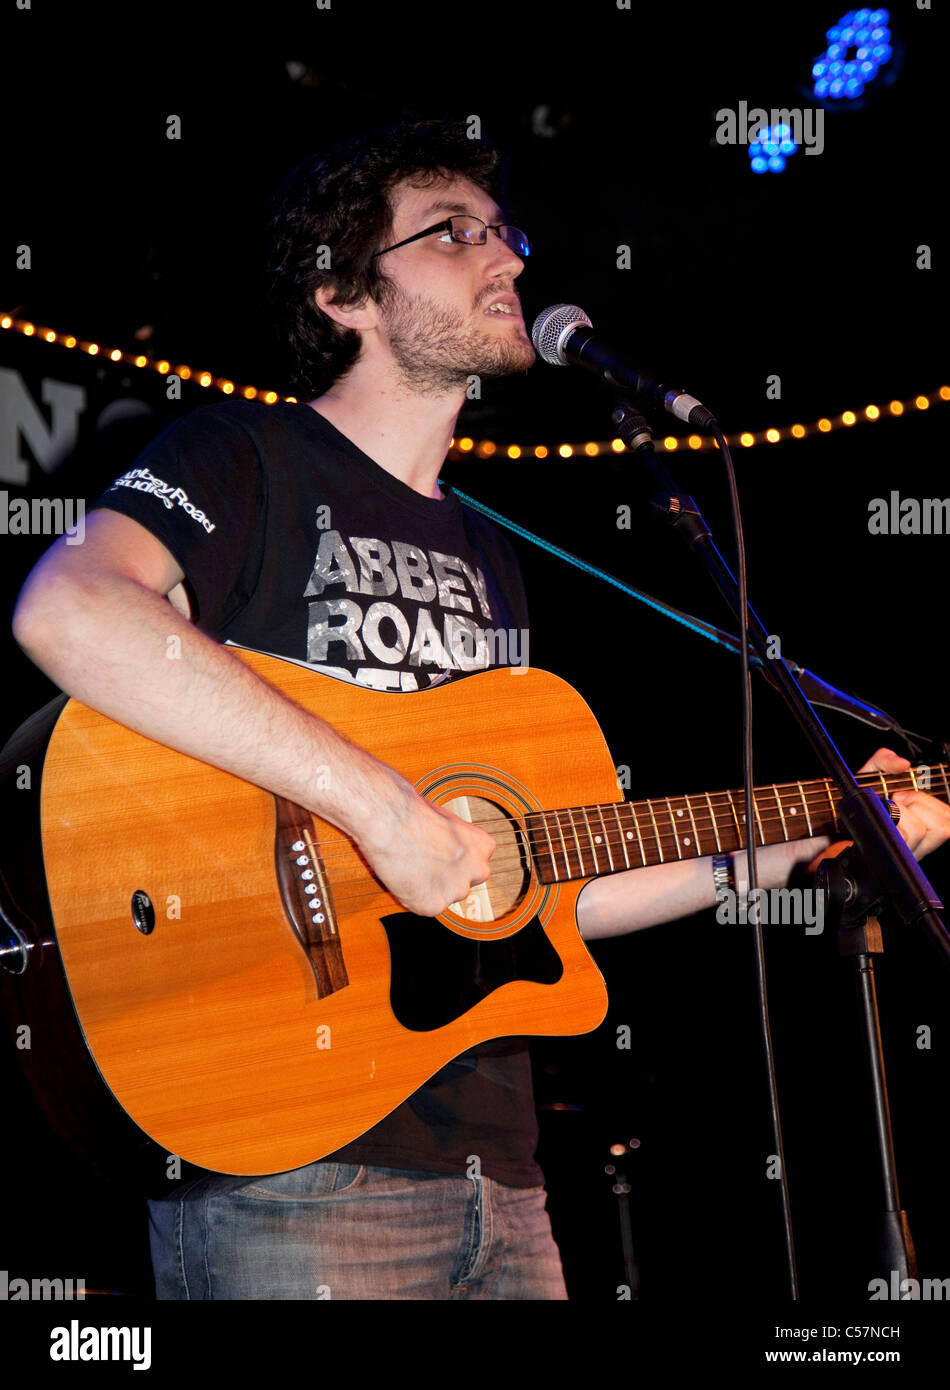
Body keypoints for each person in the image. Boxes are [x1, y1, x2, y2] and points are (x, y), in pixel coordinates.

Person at [12, 118, 950, 1301]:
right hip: (290, 1165)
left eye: (501, 231)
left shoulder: (491, 547)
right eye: (450, 234)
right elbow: (70, 608)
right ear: (344, 294)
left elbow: (535, 878)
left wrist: (791, 840)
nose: (504, 258)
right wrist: (379, 807)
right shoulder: (243, 453)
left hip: (501, 1184)